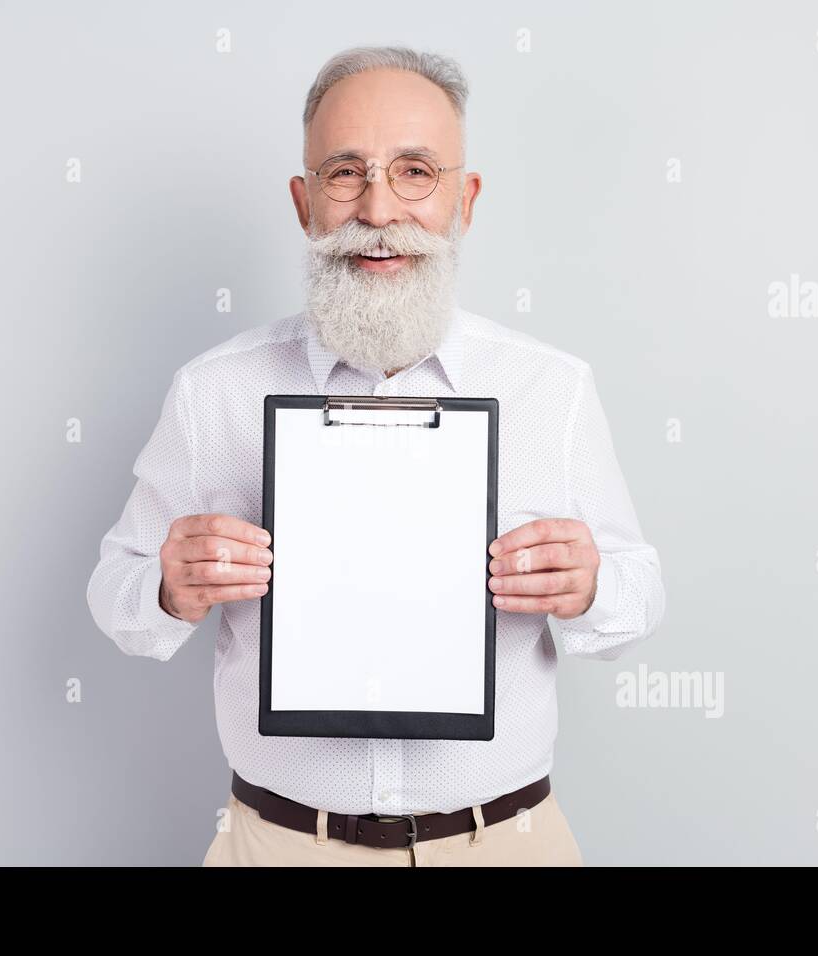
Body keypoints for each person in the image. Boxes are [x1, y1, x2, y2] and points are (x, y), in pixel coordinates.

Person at [86, 45, 666, 866]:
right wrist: (167, 587)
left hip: (504, 844)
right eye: (346, 172)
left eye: (416, 172)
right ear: (305, 201)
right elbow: (116, 594)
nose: (379, 207)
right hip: (280, 846)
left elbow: (639, 594)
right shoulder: (214, 392)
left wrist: (594, 583)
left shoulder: (552, 388)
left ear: (465, 199)